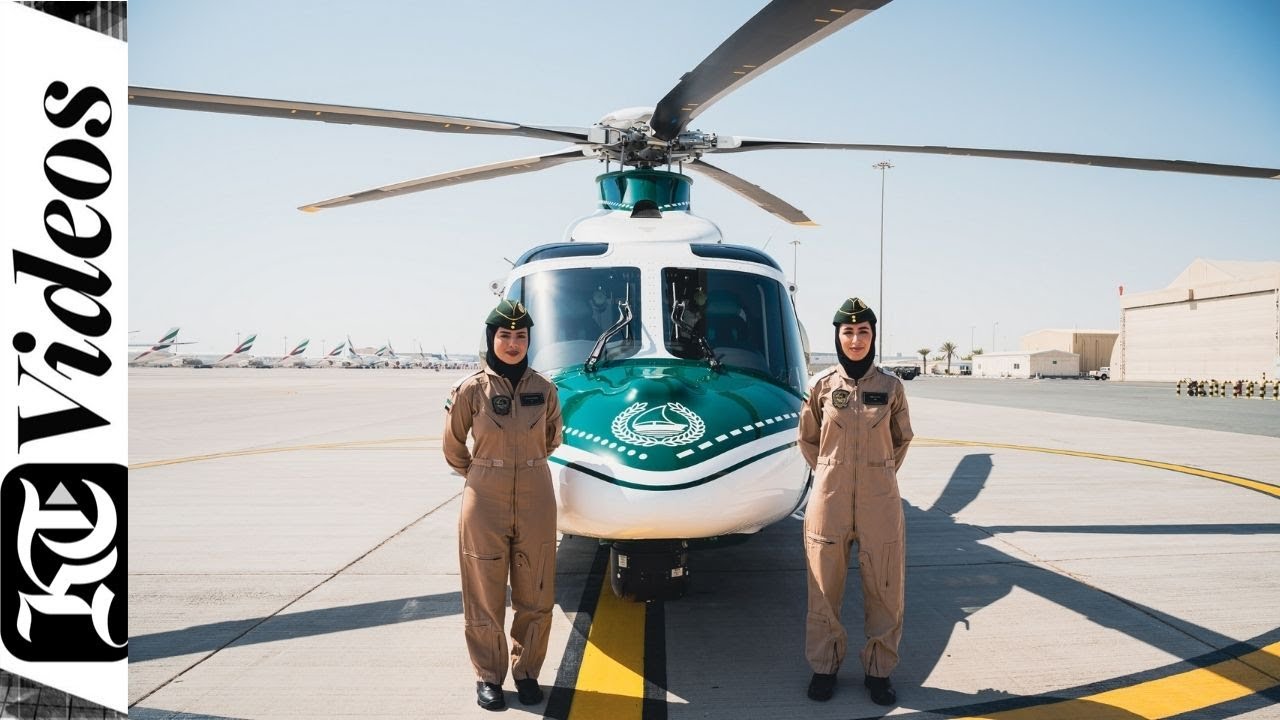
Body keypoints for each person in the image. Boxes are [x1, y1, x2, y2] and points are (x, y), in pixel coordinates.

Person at [443, 299, 564, 711]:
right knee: (484, 592)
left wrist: (522, 466)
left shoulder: (544, 389)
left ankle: (527, 671)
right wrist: (484, 474)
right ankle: (489, 676)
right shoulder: (471, 389)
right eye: (504, 335)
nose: (512, 343)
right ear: (491, 338)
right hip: (484, 498)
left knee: (537, 590)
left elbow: (551, 438)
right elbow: (453, 445)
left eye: (520, 336)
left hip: (535, 493)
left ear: (529, 340)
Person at [797, 297, 913, 706]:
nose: (856, 339)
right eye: (848, 332)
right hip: (828, 499)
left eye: (863, 331)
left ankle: (878, 672)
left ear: (873, 336)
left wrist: (877, 473)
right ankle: (824, 668)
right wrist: (831, 471)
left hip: (880, 501)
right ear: (838, 336)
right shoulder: (822, 386)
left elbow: (902, 440)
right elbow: (807, 438)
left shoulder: (891, 387)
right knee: (824, 586)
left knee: (884, 586)